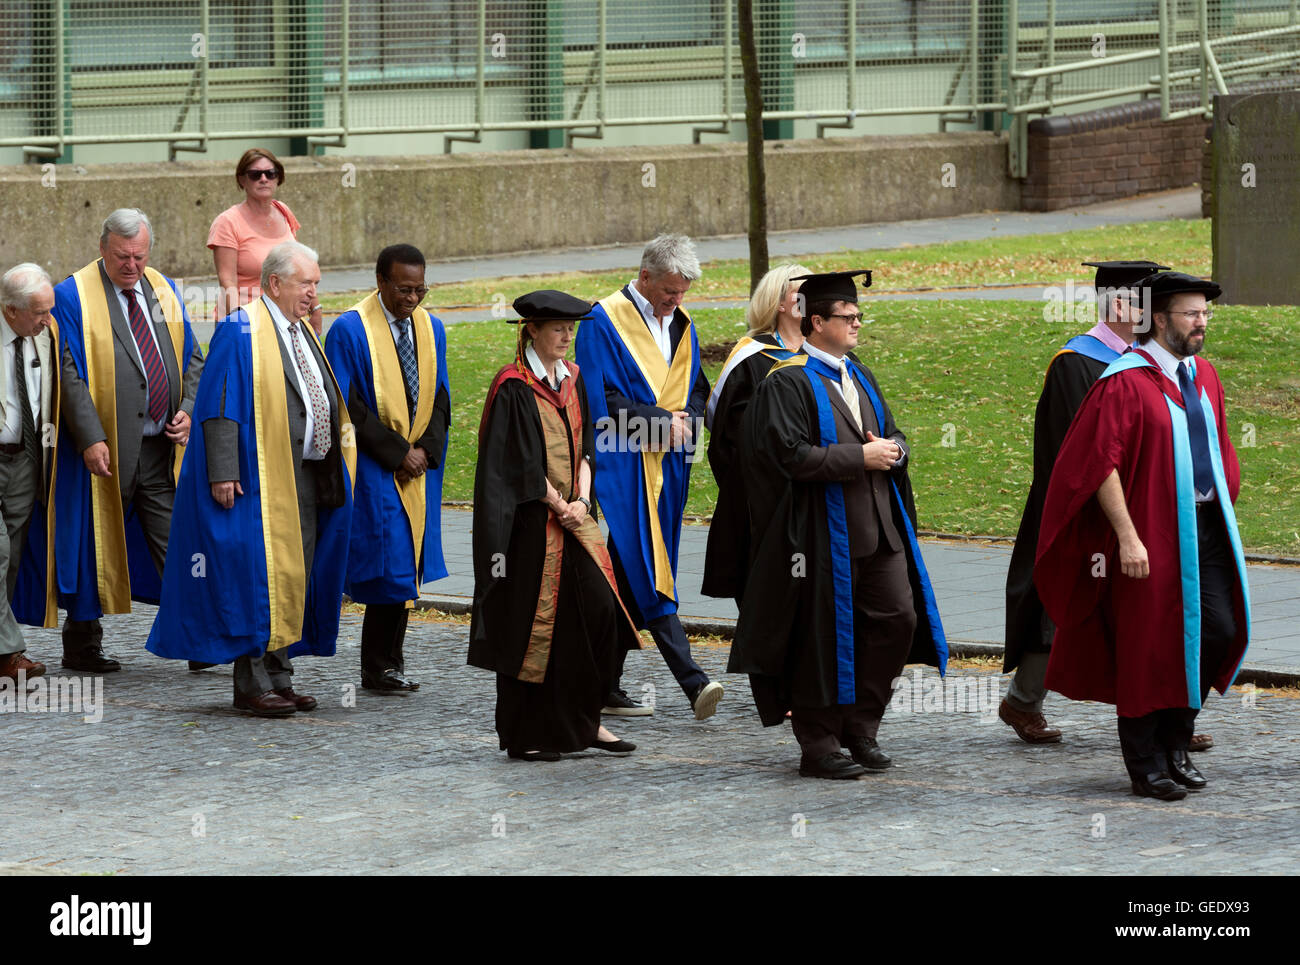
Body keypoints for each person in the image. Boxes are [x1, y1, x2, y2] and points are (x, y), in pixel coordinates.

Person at [1036, 271, 1250, 801]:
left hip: (1205, 529)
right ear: (1160, 319)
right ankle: (1146, 762)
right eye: (1191, 314)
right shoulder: (1124, 381)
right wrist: (1128, 538)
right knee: (1148, 646)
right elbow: (1096, 465)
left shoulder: (1203, 376)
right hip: (1150, 533)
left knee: (1215, 633)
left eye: (1205, 313)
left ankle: (1176, 743)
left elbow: (1219, 447)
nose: (1202, 323)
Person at [729, 270, 947, 780]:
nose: (856, 325)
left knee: (898, 620)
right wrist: (860, 457)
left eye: (858, 316)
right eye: (847, 317)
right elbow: (787, 457)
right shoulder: (785, 382)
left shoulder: (860, 375)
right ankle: (819, 744)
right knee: (821, 640)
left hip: (880, 530)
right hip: (821, 536)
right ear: (816, 321)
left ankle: (860, 728)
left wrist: (895, 451)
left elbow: (890, 433)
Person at [145, 241, 355, 717]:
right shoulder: (241, 331)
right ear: (275, 283)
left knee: (292, 577)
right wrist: (222, 471)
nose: (313, 292)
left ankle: (281, 676)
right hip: (259, 480)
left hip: (305, 475)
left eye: (316, 283)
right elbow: (219, 403)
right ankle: (252, 683)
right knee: (255, 579)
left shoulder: (301, 331)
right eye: (307, 283)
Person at [469, 290, 641, 760]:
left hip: (575, 516)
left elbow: (587, 445)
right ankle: (525, 735)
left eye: (572, 329)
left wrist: (582, 499)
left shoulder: (575, 378)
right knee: (532, 626)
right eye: (558, 329)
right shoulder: (513, 386)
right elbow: (516, 464)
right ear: (533, 331)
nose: (568, 336)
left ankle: (586, 722)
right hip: (528, 526)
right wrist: (557, 504)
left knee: (600, 612)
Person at [1001, 260, 1167, 744]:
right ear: (1119, 304)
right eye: (1147, 301)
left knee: (1148, 608)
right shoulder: (1077, 362)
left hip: (1140, 506)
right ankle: (1022, 700)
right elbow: (1083, 454)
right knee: (1062, 605)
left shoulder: (1149, 360)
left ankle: (1165, 713)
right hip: (1078, 512)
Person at [574, 234, 723, 720]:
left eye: (681, 293)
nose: (675, 301)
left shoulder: (683, 325)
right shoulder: (602, 322)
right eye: (669, 292)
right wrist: (662, 424)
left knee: (627, 573)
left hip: (671, 466)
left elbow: (697, 387)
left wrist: (690, 422)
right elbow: (601, 400)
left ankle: (599, 685)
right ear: (645, 277)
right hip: (626, 463)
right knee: (650, 565)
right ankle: (692, 681)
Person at [52, 208, 203, 674]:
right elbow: (68, 373)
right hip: (106, 451)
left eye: (139, 256)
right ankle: (82, 643)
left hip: (159, 448)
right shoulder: (72, 295)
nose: (132, 266)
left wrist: (188, 409)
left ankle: (197, 634)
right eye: (122, 256)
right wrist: (91, 437)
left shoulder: (163, 287)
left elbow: (193, 356)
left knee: (177, 542)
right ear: (102, 249)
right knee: (93, 545)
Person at [325, 244, 450, 694]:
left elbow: (441, 397)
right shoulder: (349, 330)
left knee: (405, 568)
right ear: (380, 281)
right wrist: (399, 453)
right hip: (377, 466)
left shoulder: (431, 327)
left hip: (418, 467)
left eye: (420, 289)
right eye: (403, 289)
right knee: (389, 566)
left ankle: (389, 664)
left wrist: (426, 452)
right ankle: (378, 666)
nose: (412, 299)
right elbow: (345, 404)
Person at [702, 262, 810, 605]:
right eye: (802, 292)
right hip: (760, 501)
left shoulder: (824, 353)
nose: (812, 299)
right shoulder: (750, 357)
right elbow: (723, 435)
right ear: (779, 304)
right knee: (764, 598)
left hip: (815, 493)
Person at [0, 265, 59, 680]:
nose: (46, 320)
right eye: (39, 312)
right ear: (9, 311)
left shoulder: (47, 335)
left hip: (24, 460)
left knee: (13, 557)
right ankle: (10, 651)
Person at [208, 148, 322, 333]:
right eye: (255, 174)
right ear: (242, 179)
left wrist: (315, 309)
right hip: (245, 319)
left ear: (278, 178)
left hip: (282, 318)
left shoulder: (284, 211)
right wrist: (240, 324)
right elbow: (227, 281)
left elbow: (302, 268)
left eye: (270, 173)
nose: (264, 179)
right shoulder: (227, 222)